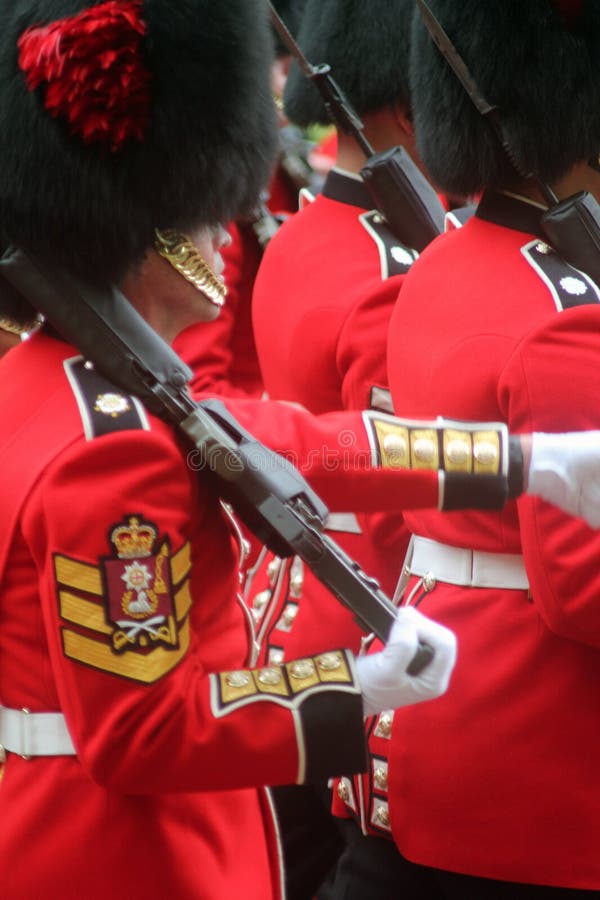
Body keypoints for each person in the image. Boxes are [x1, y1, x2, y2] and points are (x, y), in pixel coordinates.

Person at [0, 4, 599, 900]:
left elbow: (296, 438)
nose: (225, 238)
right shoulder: (107, 449)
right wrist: (349, 689)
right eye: (204, 218)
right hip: (126, 855)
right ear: (143, 230)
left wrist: (524, 462)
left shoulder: (70, 385)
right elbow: (144, 736)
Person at [328, 1, 600, 897]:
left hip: (436, 711)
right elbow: (583, 588)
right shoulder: (568, 314)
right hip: (540, 749)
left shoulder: (438, 264)